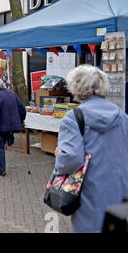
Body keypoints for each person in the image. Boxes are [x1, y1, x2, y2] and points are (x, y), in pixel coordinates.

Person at [53, 65, 128, 233]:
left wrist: (59, 155)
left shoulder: (73, 118)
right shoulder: (121, 115)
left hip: (90, 195)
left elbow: (71, 159)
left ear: (75, 87)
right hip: (120, 194)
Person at [0, 78, 26, 177]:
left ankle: (1, 169)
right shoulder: (13, 94)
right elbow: (22, 109)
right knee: (1, 145)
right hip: (11, 126)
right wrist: (21, 120)